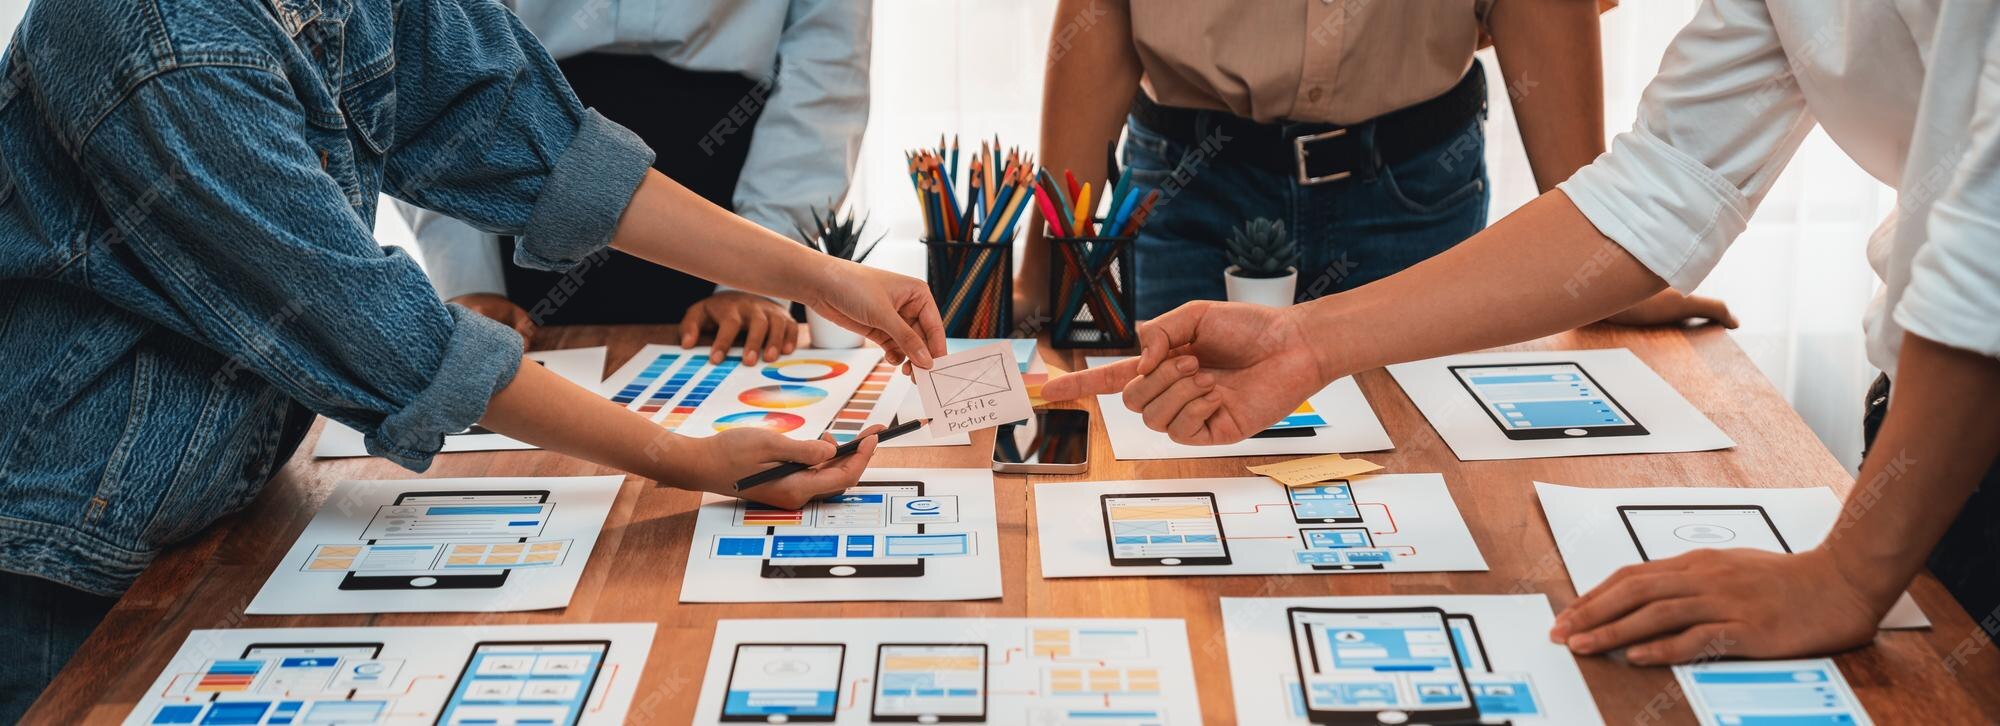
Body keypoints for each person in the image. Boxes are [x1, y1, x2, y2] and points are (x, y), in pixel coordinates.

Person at [0, 0, 942, 717]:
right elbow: (378, 331)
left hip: (217, 496)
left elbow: (539, 147)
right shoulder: (149, 38)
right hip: (66, 546)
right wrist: (691, 462)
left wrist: (816, 276)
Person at [1046, 0, 2000, 664]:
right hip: (1933, 414)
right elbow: (1666, 177)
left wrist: (1846, 576)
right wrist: (1309, 341)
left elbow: (1986, 257)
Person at [1017, 0, 1734, 328]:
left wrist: (1604, 262)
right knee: (1185, 479)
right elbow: (1100, 13)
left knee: (1418, 481)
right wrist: (1043, 272)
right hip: (1190, 183)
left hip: (1413, 184)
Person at [407, 0, 872, 365]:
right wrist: (468, 277)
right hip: (514, 183)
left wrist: (764, 273)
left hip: (736, 191)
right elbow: (433, 62)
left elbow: (824, 68)